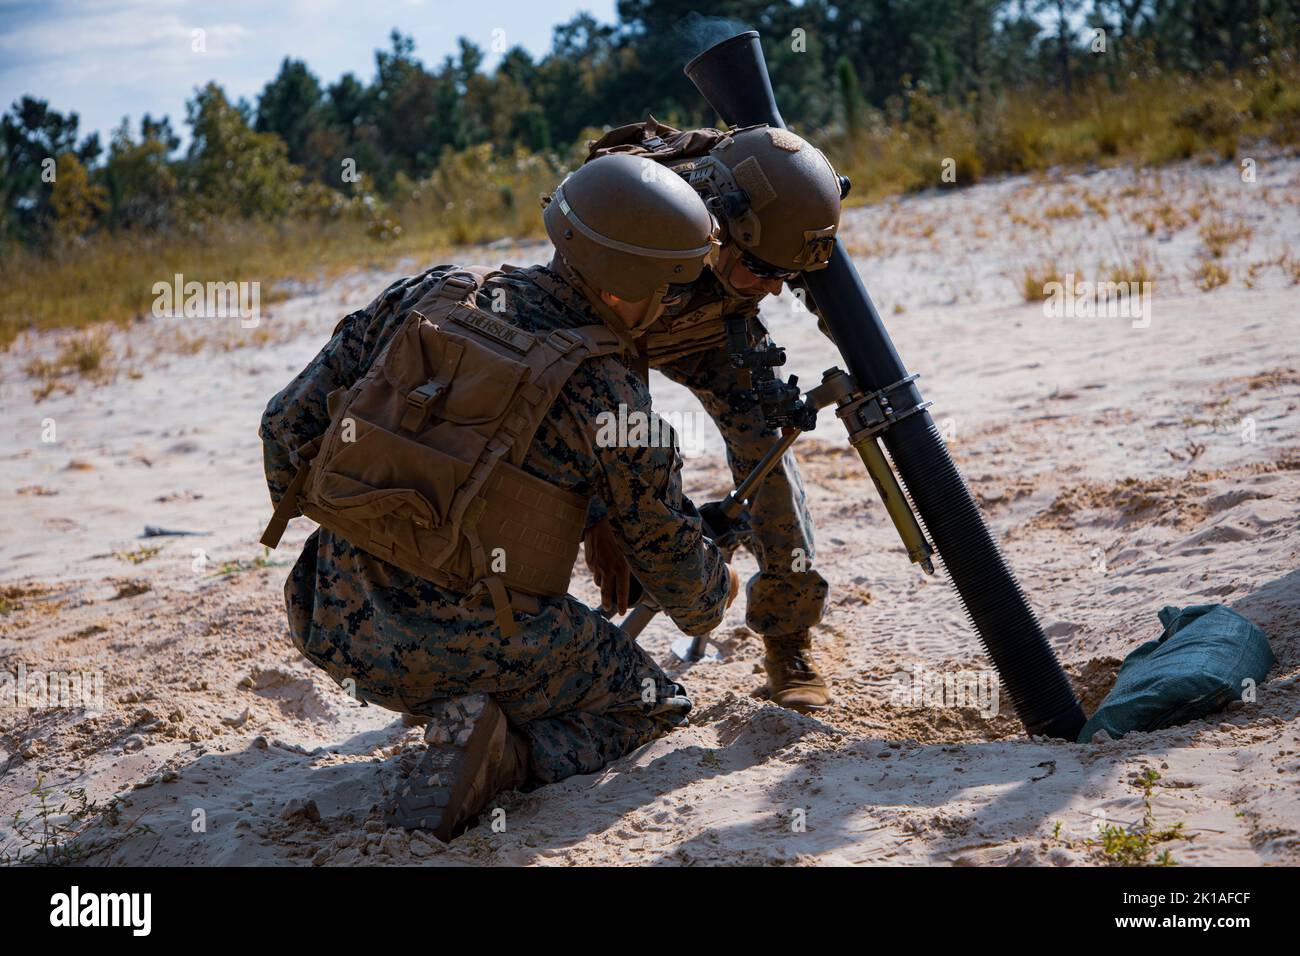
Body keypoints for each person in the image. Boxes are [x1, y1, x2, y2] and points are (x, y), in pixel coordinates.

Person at [258, 154, 738, 841]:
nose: (671, 304)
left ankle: (459, 702)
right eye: (670, 288)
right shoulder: (611, 395)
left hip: (325, 613)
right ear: (633, 284)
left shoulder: (426, 294)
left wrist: (377, 529)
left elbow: (285, 429)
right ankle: (505, 755)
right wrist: (722, 581)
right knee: (653, 704)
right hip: (472, 643)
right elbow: (686, 594)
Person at [582, 120, 843, 712]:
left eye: (786, 276)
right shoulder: (633, 222)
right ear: (718, 232)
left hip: (716, 335)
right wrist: (599, 515)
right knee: (610, 473)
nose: (775, 292)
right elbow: (584, 396)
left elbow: (830, 301)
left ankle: (787, 639)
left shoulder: (778, 214)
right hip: (618, 338)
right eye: (761, 272)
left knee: (768, 460)